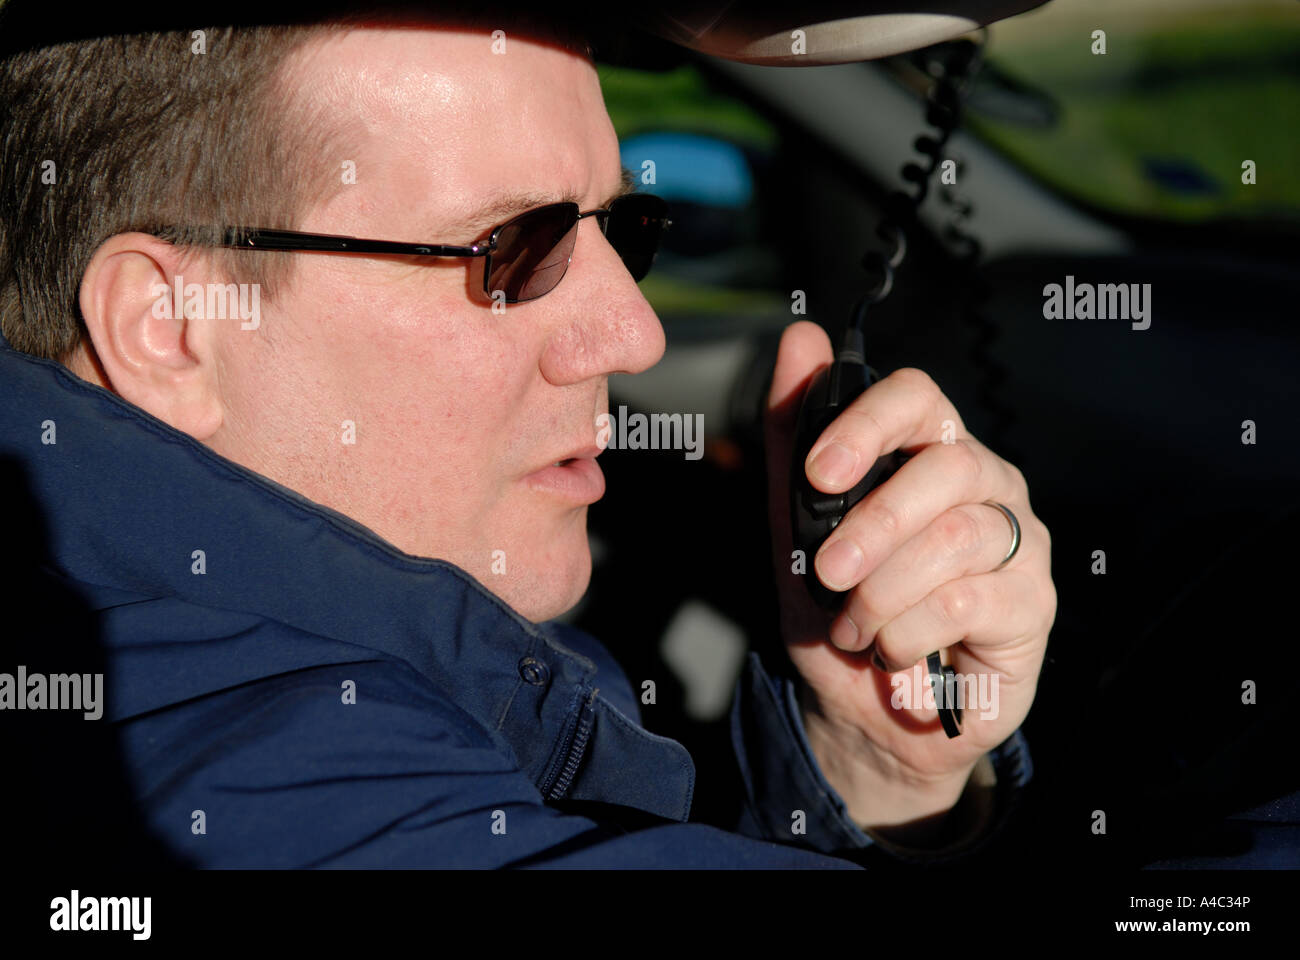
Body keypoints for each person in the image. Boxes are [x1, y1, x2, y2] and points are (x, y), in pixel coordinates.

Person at [0, 3, 1055, 867]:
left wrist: (872, 771)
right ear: (172, 329)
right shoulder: (250, 772)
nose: (631, 333)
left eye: (624, 231)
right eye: (511, 249)